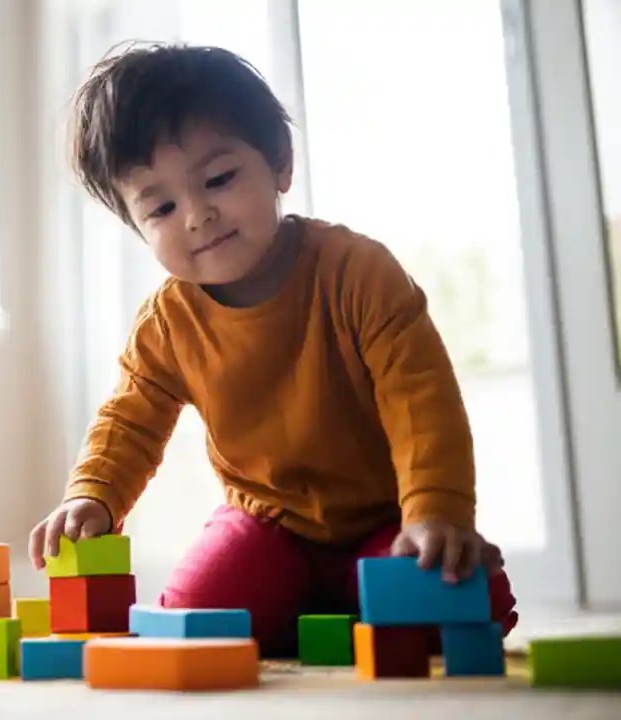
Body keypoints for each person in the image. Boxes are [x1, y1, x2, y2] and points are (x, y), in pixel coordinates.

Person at [27, 43, 516, 657]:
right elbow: (128, 421)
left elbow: (421, 397)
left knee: (466, 602)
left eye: (219, 179)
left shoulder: (358, 272)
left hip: (383, 520)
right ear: (137, 226)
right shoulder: (168, 322)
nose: (199, 215)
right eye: (162, 207)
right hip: (266, 525)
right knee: (197, 621)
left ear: (280, 163)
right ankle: (305, 606)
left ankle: (340, 602)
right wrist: (91, 494)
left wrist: (435, 512)